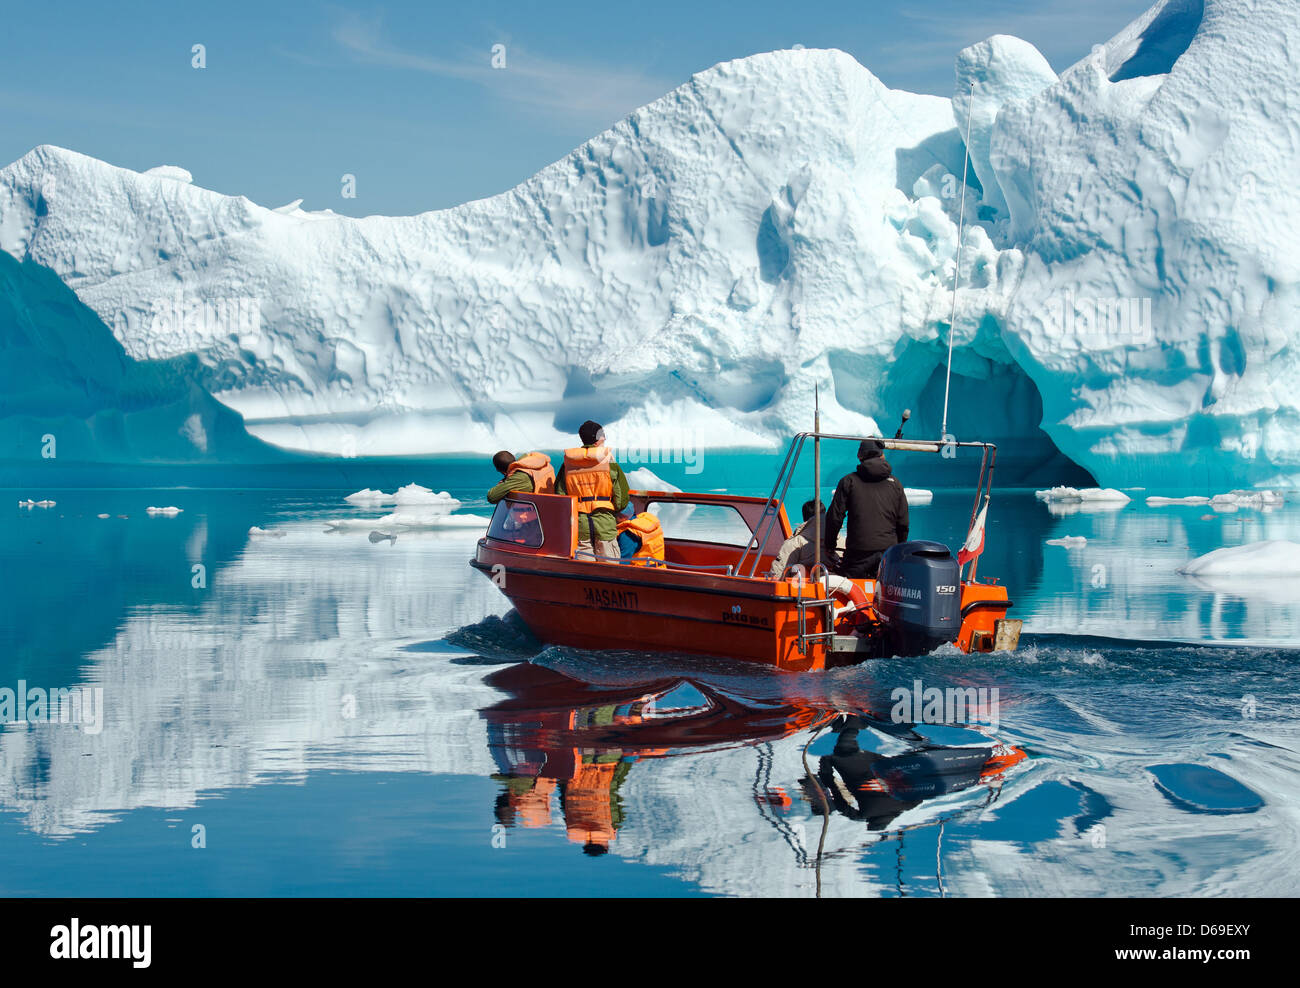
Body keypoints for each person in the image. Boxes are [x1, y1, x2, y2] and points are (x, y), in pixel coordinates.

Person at [824, 439, 909, 579]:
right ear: (882, 455)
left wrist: (829, 546)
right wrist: (897, 548)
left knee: (845, 583)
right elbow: (903, 522)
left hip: (857, 554)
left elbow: (835, 517)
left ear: (860, 456)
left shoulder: (849, 481)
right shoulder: (895, 484)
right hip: (887, 553)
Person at [555, 421, 630, 560]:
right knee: (609, 568)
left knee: (585, 567)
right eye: (603, 435)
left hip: (579, 521)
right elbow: (621, 496)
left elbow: (560, 495)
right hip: (604, 520)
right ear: (596, 440)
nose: (605, 438)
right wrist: (613, 509)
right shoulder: (608, 461)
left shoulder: (568, 463)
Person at [768, 500, 840, 578]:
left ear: (804, 518)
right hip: (841, 586)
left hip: (802, 588)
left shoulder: (795, 543)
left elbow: (777, 575)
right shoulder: (843, 541)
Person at [486, 449, 555, 504]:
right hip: (549, 507)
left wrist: (507, 478)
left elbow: (492, 497)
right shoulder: (543, 464)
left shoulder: (520, 477)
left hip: (533, 517)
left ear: (500, 470)